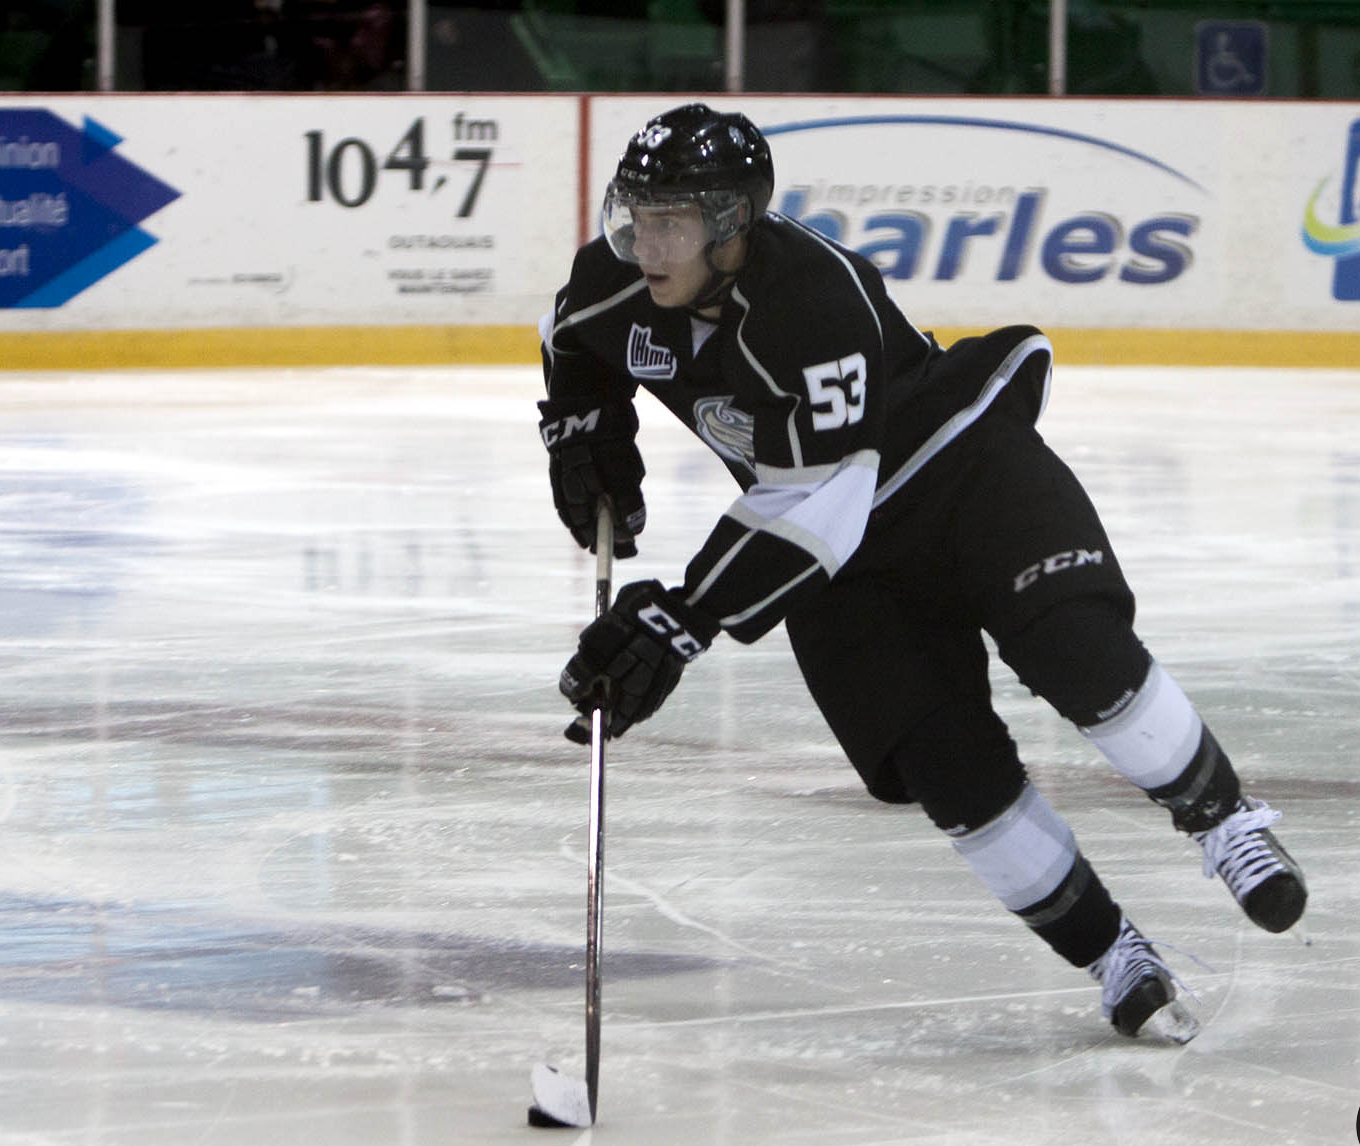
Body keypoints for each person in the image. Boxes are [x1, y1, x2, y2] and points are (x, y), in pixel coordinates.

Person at [539, 103, 1306, 1042]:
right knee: (947, 767)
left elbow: (821, 498)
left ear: (735, 221)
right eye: (638, 214)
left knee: (1078, 651)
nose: (646, 241)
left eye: (675, 219)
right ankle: (1114, 955)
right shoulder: (615, 281)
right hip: (846, 565)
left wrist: (684, 619)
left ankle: (1222, 819)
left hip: (959, 475)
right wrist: (585, 436)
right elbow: (570, 336)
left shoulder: (814, 298)